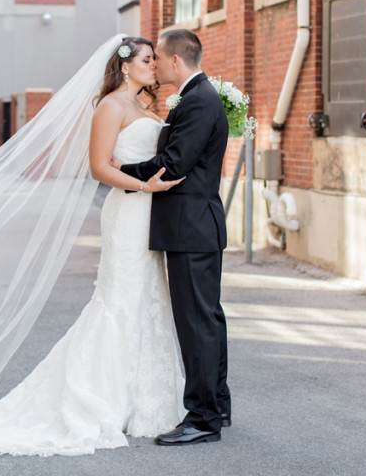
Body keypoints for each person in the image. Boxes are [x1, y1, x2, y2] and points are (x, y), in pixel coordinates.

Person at [0, 36, 192, 456]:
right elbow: (99, 167)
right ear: (125, 66)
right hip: (128, 213)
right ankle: (99, 399)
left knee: (149, 300)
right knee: (120, 300)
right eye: (147, 59)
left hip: (152, 214)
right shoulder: (111, 107)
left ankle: (146, 404)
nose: (155, 65)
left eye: (154, 59)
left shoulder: (148, 106)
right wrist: (144, 184)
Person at [114, 29, 232, 446]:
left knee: (197, 323)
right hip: (194, 227)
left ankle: (202, 419)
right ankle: (217, 404)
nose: (156, 65)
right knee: (207, 319)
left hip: (191, 228)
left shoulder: (198, 100)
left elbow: (175, 163)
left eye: (159, 59)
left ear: (176, 61)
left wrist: (121, 174)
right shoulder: (198, 96)